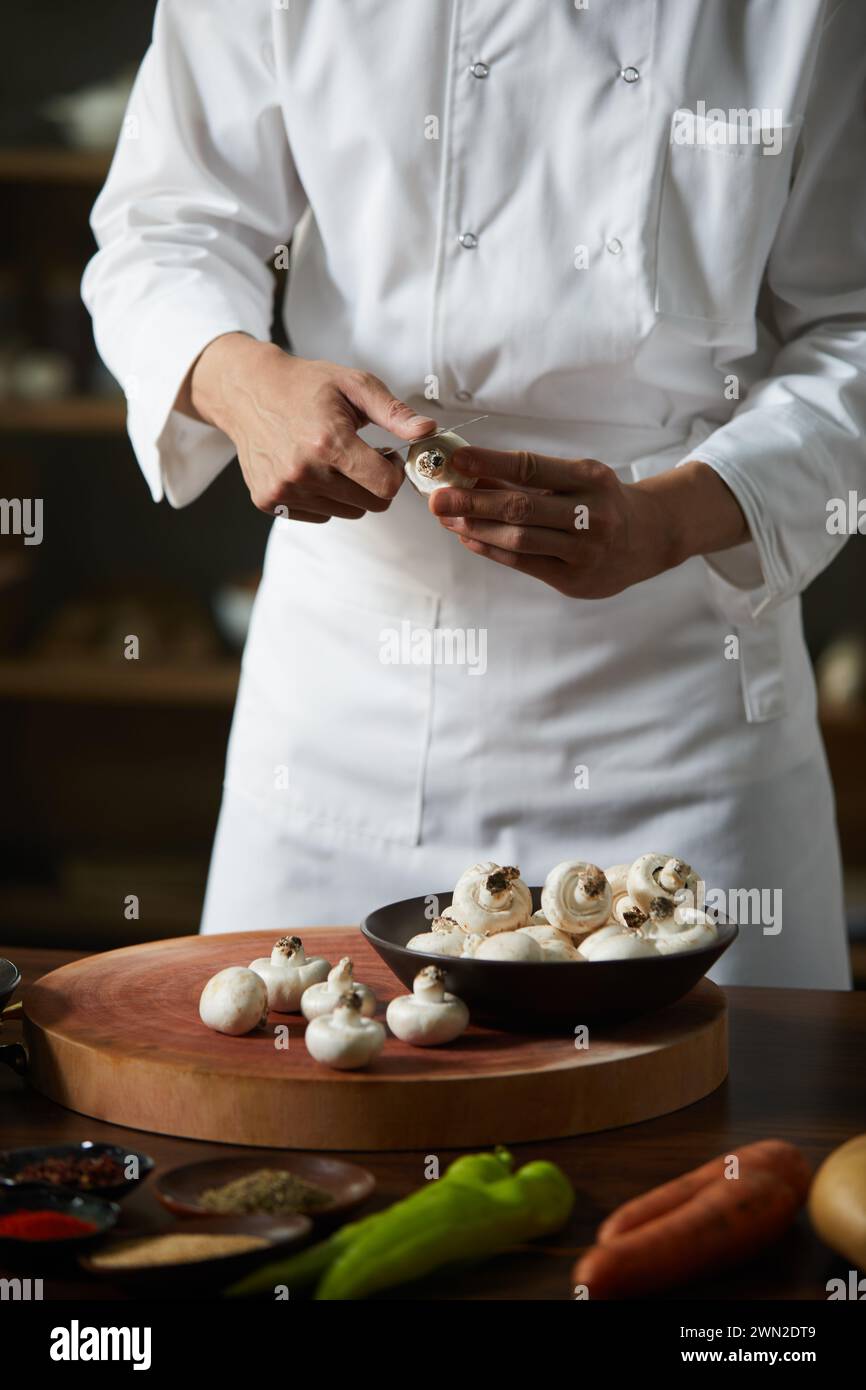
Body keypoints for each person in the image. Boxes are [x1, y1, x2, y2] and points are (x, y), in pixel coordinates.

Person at [83, 0, 866, 988]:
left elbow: (851, 323)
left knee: (723, 1129)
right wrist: (241, 380)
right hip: (348, 704)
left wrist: (669, 516)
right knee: (297, 1118)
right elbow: (163, 225)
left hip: (679, 703)